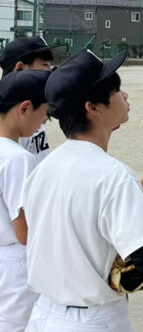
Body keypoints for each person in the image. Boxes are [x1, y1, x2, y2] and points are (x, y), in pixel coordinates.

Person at [21, 49, 143, 331]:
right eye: (115, 90)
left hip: (42, 316)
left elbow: (69, 218)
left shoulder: (43, 168)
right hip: (92, 321)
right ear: (93, 107)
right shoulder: (114, 176)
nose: (125, 95)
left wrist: (134, 195)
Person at [0, 70, 50, 332]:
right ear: (25, 108)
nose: (44, 123)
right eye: (44, 115)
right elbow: (24, 232)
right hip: (17, 265)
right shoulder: (18, 158)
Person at [0, 37, 66, 161]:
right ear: (20, 68)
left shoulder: (34, 109)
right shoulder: (11, 120)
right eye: (45, 65)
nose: (50, 71)